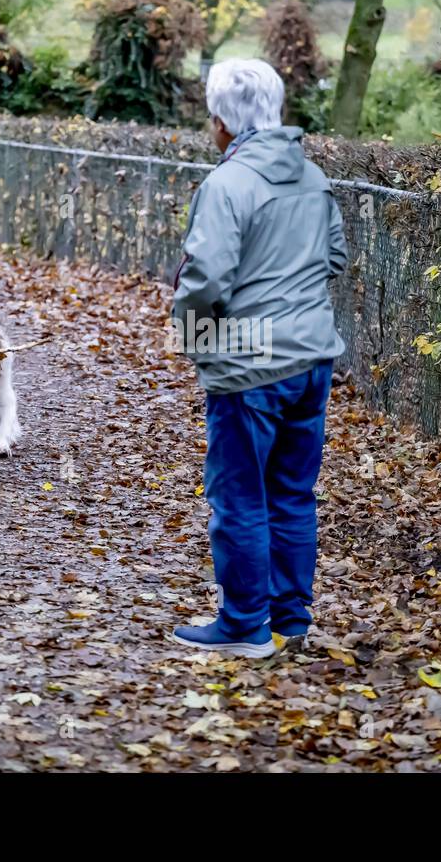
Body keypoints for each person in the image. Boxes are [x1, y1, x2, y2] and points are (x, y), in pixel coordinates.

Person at [170, 58, 348, 658]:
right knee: (293, 493)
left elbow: (206, 280)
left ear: (223, 120)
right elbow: (335, 260)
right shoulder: (315, 178)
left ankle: (244, 625)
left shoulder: (226, 185)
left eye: (210, 115)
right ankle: (289, 621)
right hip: (312, 362)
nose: (210, 126)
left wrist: (192, 341)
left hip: (248, 371)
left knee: (240, 496)